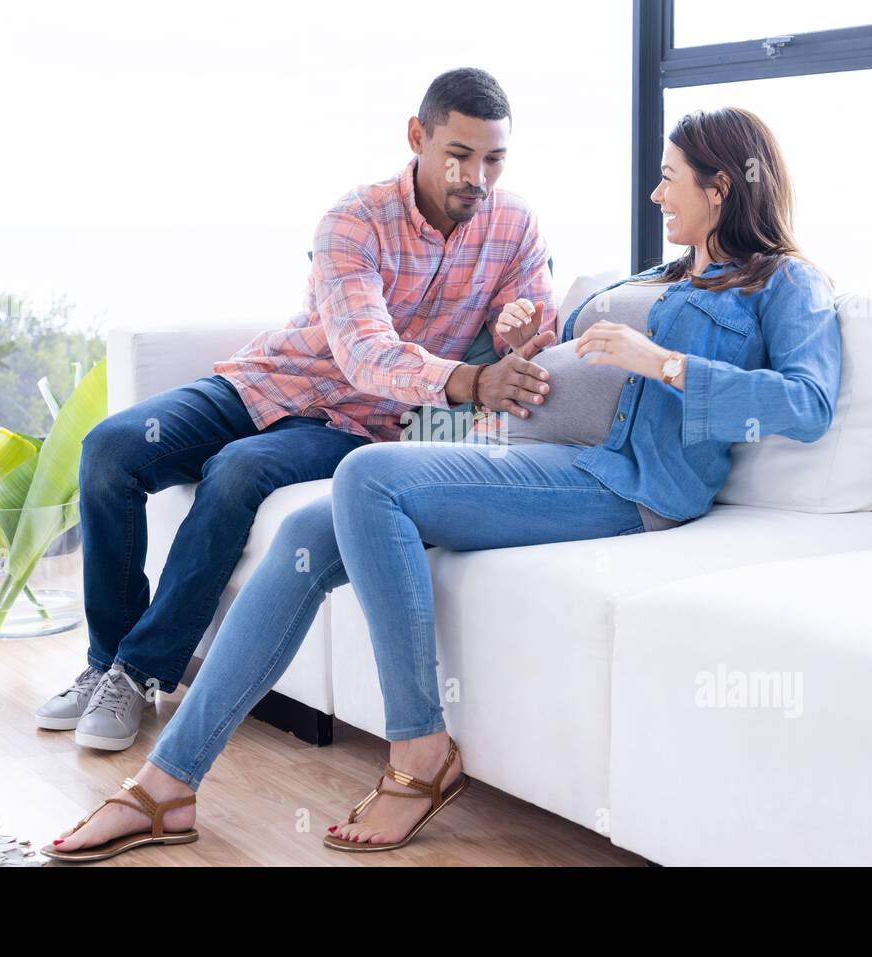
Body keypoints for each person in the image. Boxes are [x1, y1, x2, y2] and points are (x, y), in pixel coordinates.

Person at [42, 106, 841, 861]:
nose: (656, 191)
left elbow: (806, 405)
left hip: (623, 484)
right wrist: (526, 335)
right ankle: (166, 786)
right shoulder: (657, 272)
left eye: (671, 177)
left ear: (722, 187)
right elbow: (557, 351)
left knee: (367, 476)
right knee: (304, 534)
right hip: (519, 447)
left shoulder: (783, 284)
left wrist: (660, 361)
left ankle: (421, 753)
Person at [34, 67, 557, 752]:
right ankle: (104, 662)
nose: (476, 178)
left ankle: (136, 673)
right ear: (416, 138)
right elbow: (365, 352)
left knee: (237, 472)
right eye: (459, 155)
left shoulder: (513, 224)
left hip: (357, 424)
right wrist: (467, 380)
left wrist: (521, 330)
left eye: (493, 159)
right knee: (110, 449)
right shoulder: (355, 219)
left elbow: (538, 330)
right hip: (274, 378)